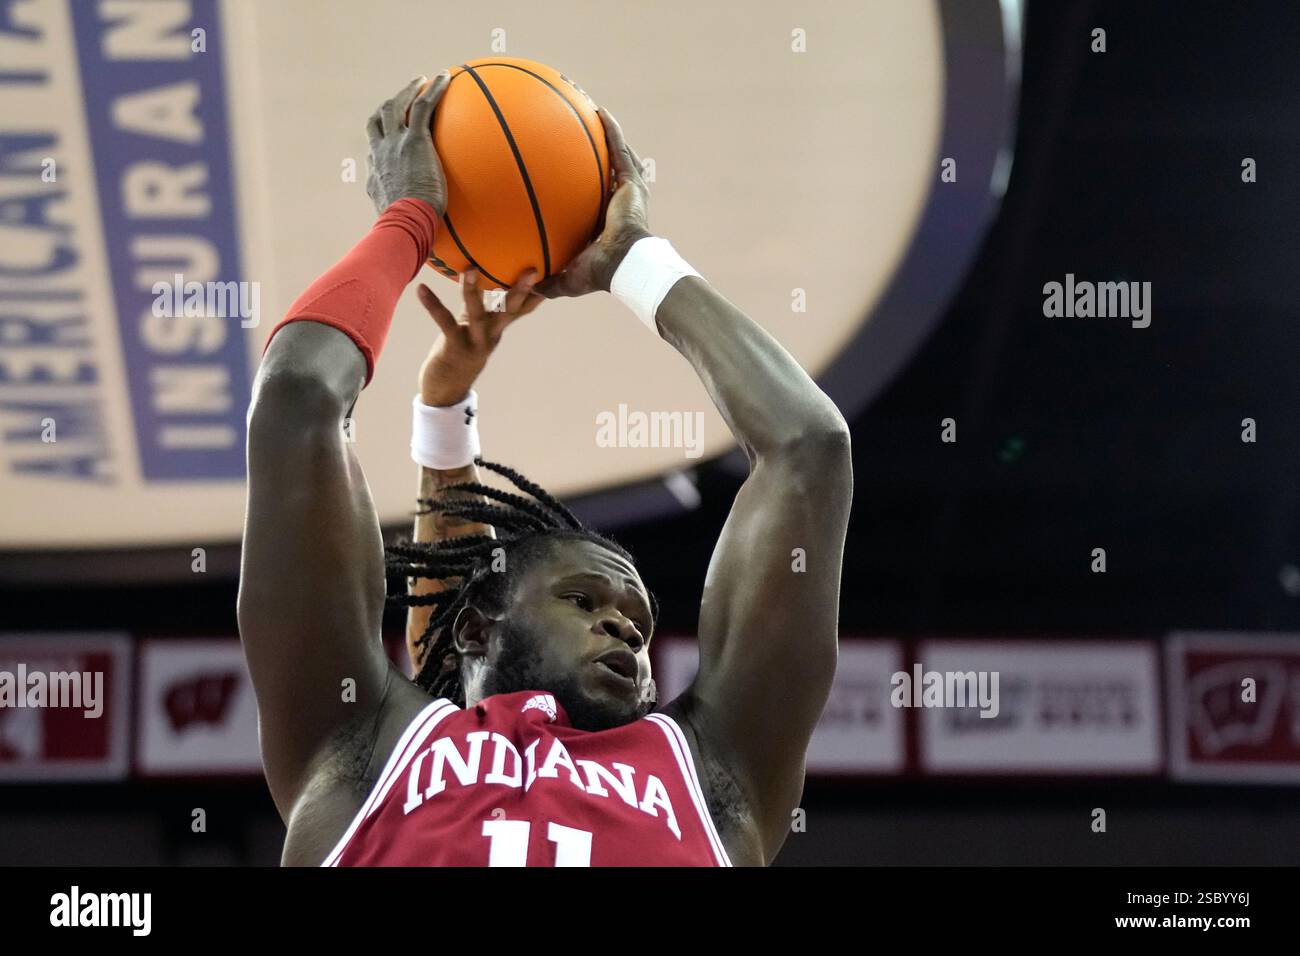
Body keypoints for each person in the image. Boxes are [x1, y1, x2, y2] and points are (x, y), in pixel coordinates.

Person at [237, 73, 853, 866]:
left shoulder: (712, 775)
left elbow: (810, 447)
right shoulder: (361, 750)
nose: (625, 625)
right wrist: (411, 217)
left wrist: (634, 259)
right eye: (585, 597)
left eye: (636, 617)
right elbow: (294, 399)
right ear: (475, 627)